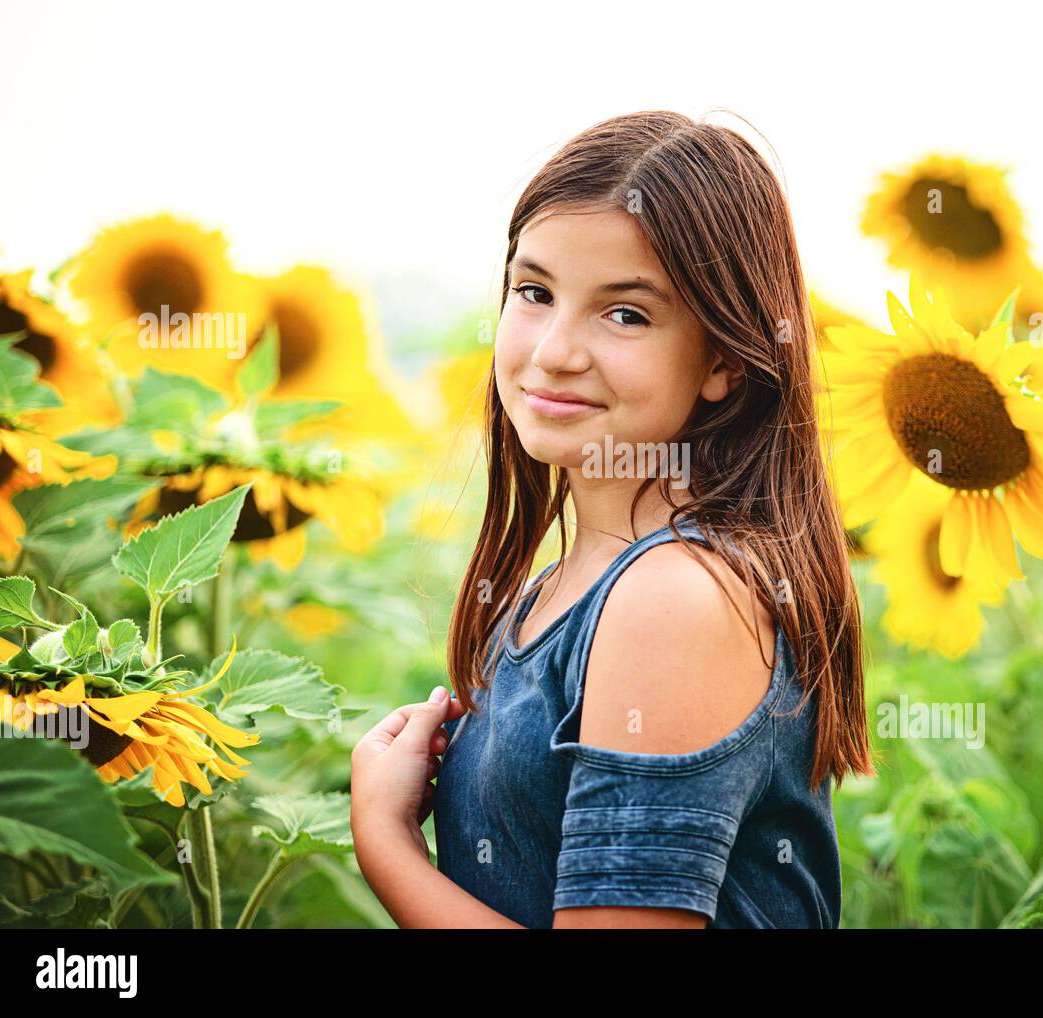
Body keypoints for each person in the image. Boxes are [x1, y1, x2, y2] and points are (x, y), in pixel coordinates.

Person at [350, 109, 875, 928]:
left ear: (725, 361)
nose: (555, 349)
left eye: (624, 313)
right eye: (535, 292)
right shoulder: (557, 591)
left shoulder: (677, 598)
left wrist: (385, 840)